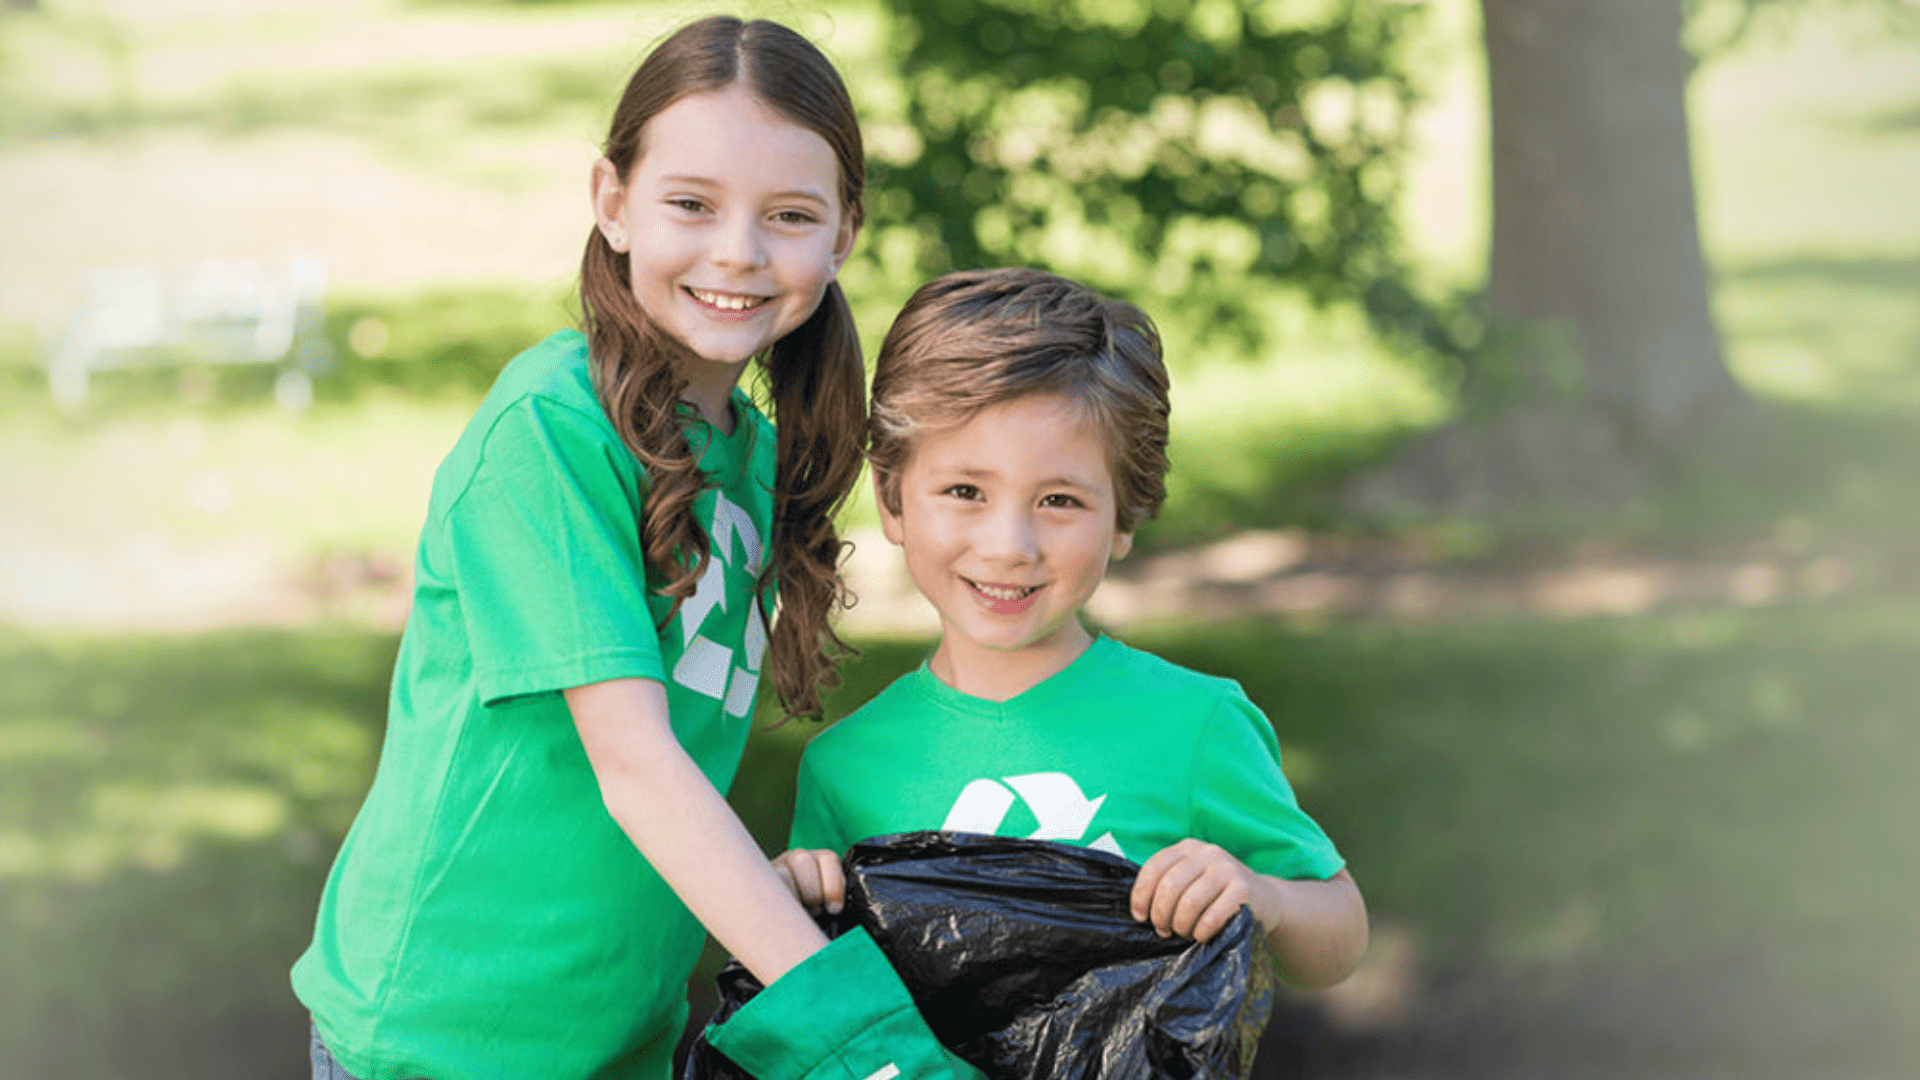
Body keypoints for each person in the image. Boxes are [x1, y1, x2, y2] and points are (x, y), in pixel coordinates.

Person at [293, 18, 978, 1080]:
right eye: (691, 204)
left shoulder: (755, 458)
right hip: (443, 1034)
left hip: (616, 1033)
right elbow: (639, 768)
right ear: (612, 203)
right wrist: (866, 1049)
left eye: (789, 215)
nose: (738, 252)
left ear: (845, 233)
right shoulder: (551, 430)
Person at [773, 268, 1369, 991]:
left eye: (1059, 500)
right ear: (892, 499)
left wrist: (1264, 897)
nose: (1008, 546)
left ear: (1125, 517)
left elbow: (1339, 934)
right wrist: (793, 893)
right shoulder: (845, 766)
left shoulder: (1195, 725)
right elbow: (820, 992)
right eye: (965, 491)